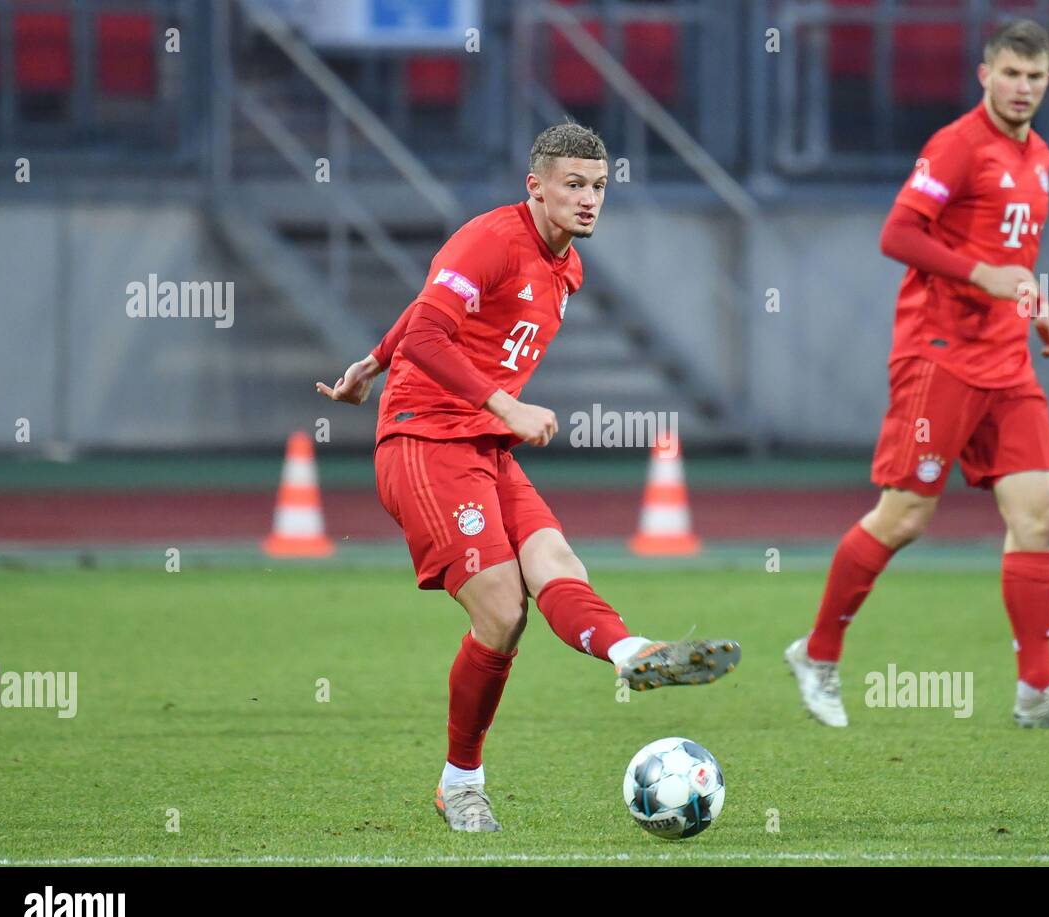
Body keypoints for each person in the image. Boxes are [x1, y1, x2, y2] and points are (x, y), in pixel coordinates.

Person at [317, 123, 740, 832]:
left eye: (599, 186)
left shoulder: (566, 266)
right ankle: (461, 784)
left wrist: (370, 360)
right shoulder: (492, 239)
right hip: (424, 439)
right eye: (573, 184)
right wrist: (500, 400)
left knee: (555, 562)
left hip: (482, 445)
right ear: (535, 186)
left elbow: (420, 317)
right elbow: (430, 329)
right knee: (503, 611)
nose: (588, 199)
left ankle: (634, 653)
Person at [786, 20, 1049, 731]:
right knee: (905, 516)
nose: (1023, 88)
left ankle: (1036, 689)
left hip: (1007, 359)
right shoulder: (958, 146)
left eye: (1036, 77)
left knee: (1039, 517)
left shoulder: (1041, 155)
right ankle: (817, 654)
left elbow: (1009, 257)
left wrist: (1040, 307)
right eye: (1011, 74)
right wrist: (985, 275)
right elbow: (897, 234)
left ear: (1048, 80)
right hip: (941, 353)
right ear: (985, 74)